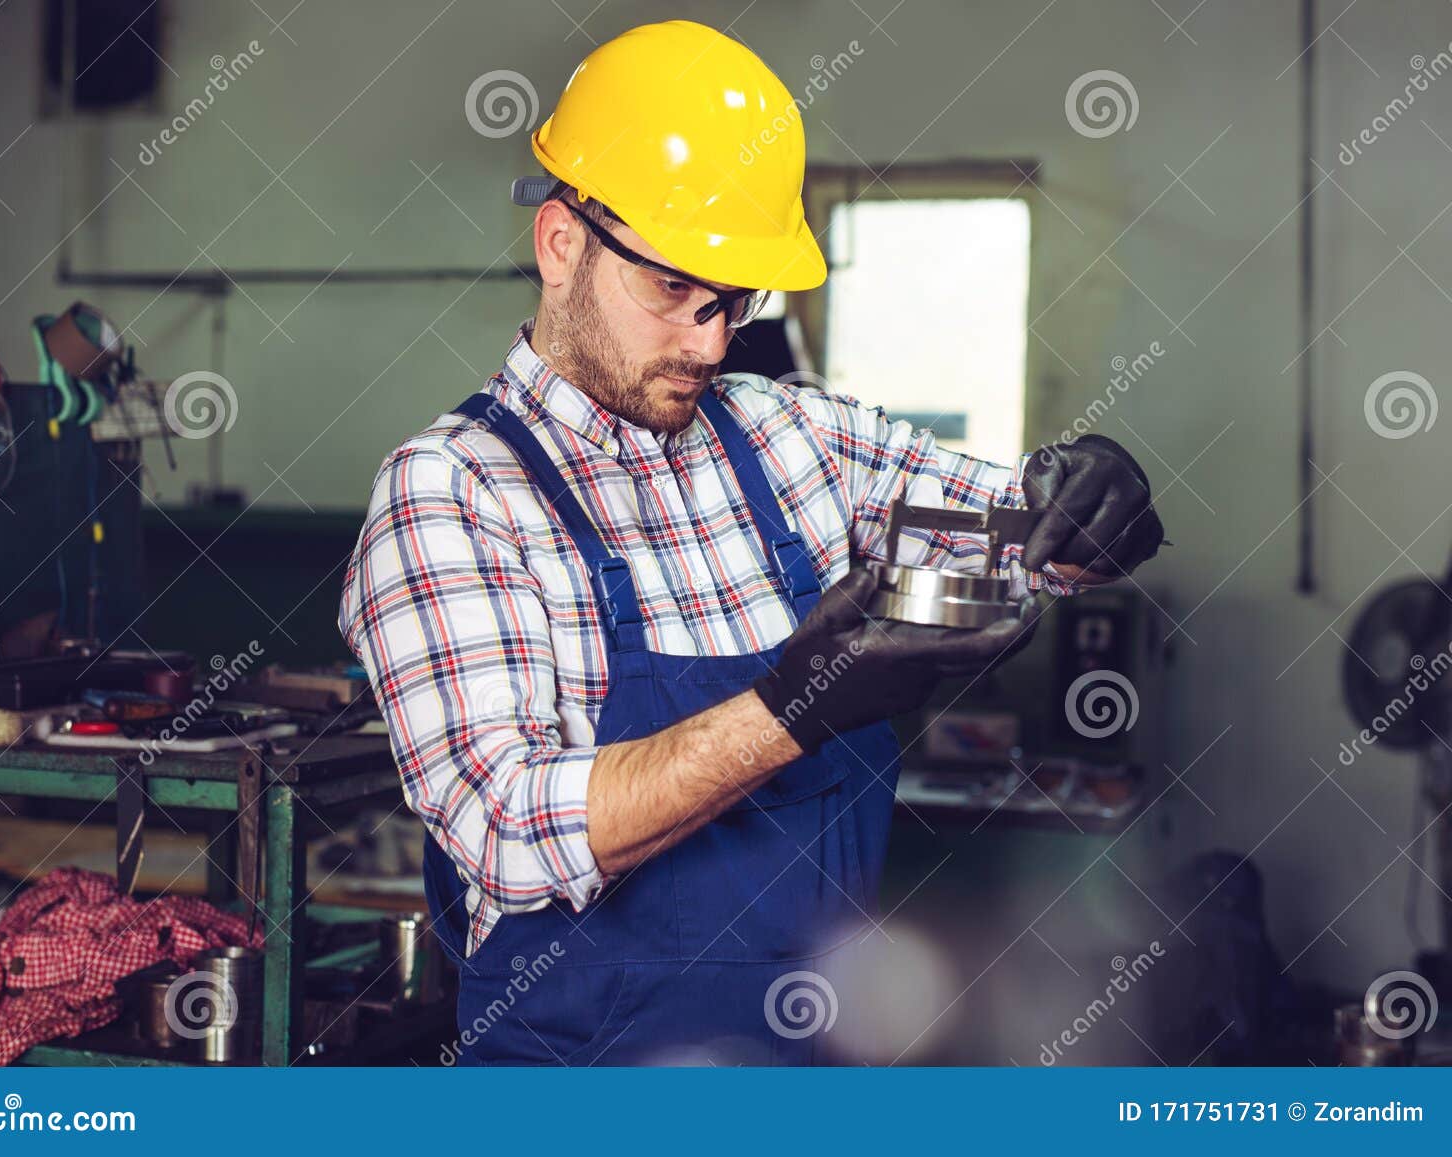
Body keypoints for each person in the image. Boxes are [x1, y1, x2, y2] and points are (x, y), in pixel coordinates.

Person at [339, 19, 1165, 1065]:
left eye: (734, 301)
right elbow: (509, 832)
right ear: (560, 246)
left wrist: (1092, 498)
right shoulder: (451, 493)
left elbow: (1027, 538)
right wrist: (790, 707)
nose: (707, 340)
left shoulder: (797, 437)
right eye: (672, 289)